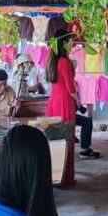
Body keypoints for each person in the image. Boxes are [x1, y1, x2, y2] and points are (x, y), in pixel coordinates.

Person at [46, 29, 79, 185]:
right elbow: (71, 88)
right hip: (64, 102)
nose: (72, 44)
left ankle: (55, 176)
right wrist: (78, 101)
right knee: (67, 140)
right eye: (71, 41)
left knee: (55, 140)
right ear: (64, 43)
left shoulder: (52, 60)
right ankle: (66, 178)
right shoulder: (65, 62)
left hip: (54, 102)